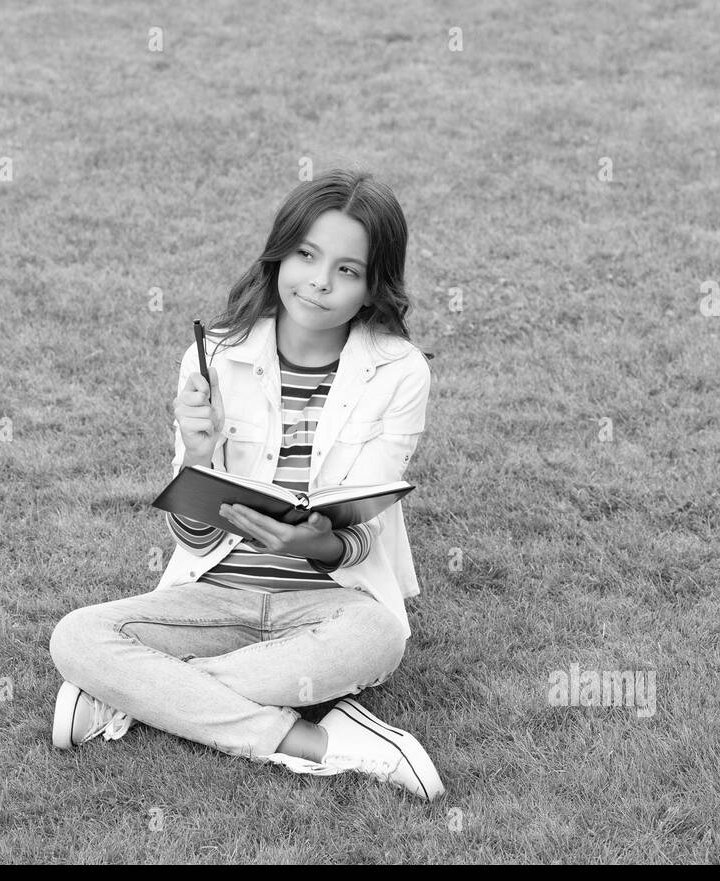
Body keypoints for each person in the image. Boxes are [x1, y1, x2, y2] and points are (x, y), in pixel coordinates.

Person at [48, 169, 444, 800]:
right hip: (215, 597)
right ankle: (320, 740)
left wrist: (310, 545)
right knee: (76, 635)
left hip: (334, 604)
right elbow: (196, 536)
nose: (319, 281)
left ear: (373, 286)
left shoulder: (398, 372)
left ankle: (129, 697)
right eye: (307, 255)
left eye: (347, 269)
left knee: (378, 637)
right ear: (279, 252)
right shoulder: (215, 355)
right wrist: (198, 455)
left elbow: (363, 528)